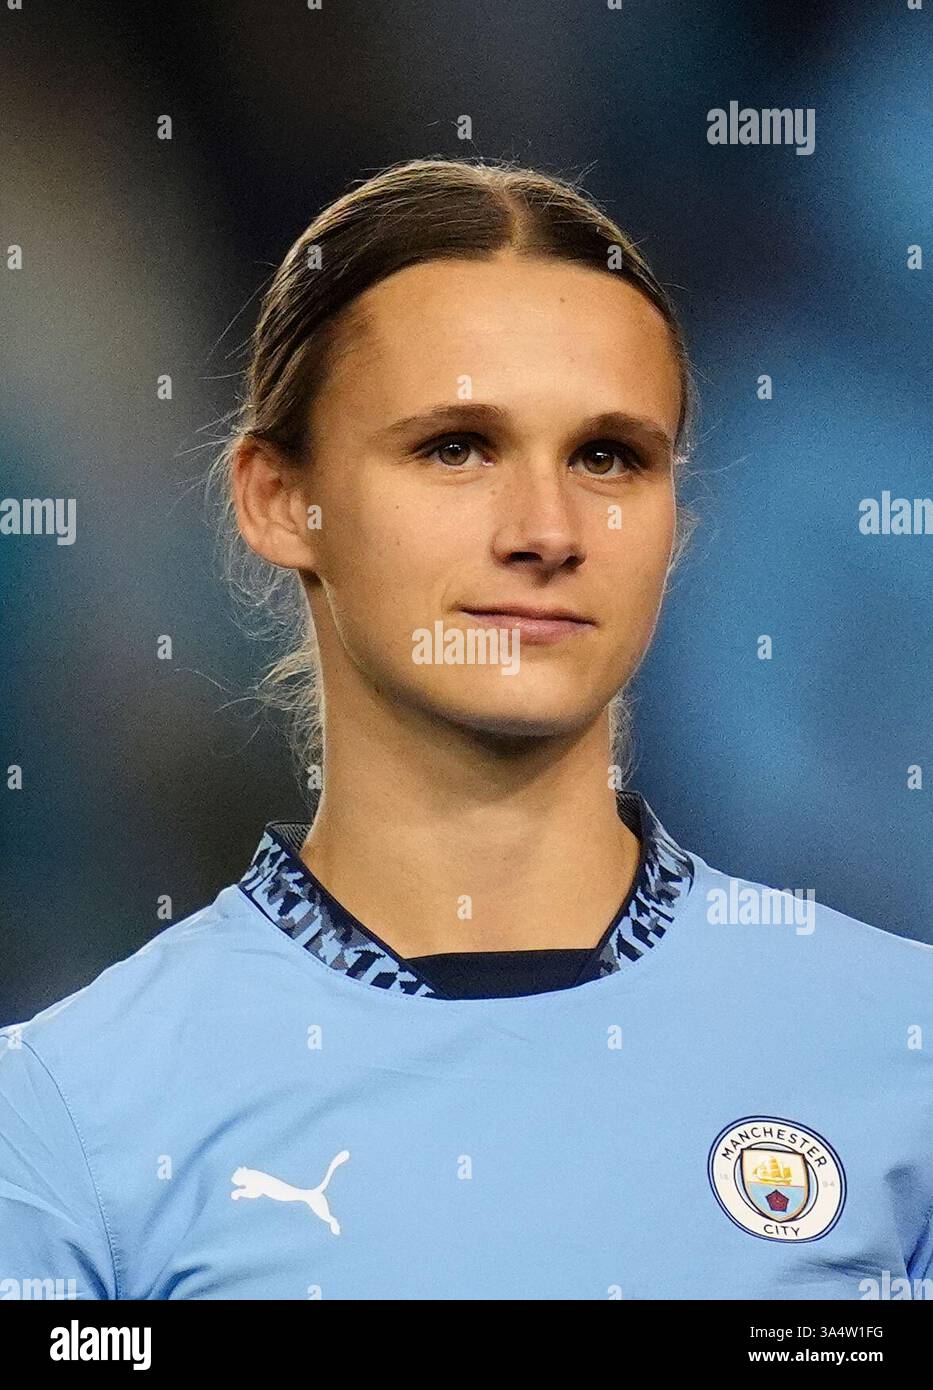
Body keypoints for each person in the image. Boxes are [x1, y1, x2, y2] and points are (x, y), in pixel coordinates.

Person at [1, 158, 931, 1301]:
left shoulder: (901, 1051)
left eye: (608, 457)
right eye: (455, 446)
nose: (547, 529)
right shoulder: (72, 1116)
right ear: (278, 499)